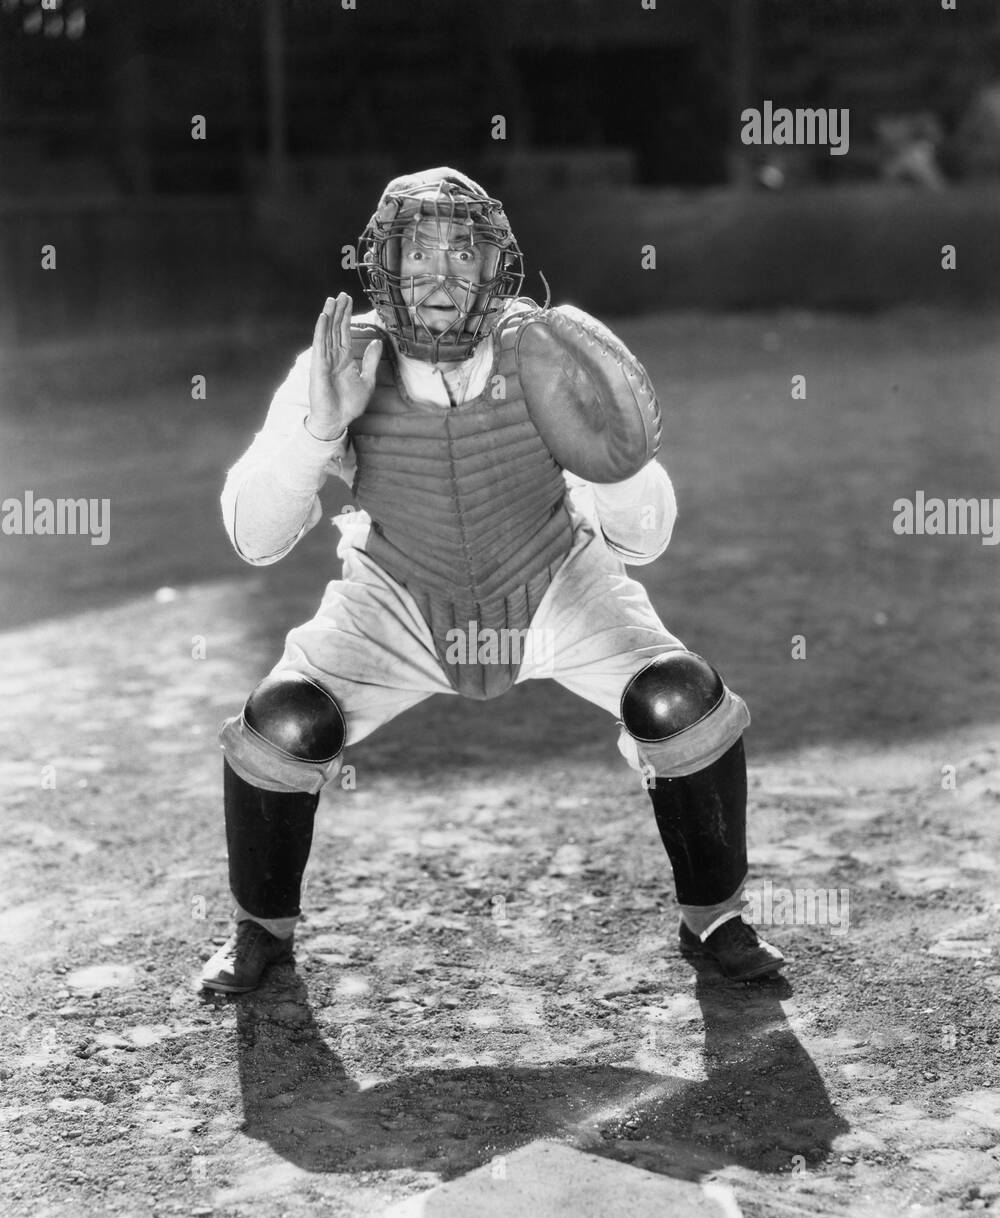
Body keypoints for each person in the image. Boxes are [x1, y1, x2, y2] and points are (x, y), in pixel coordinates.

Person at [202, 166, 785, 994]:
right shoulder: (343, 357)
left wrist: (619, 463)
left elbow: (645, 540)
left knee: (679, 701)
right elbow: (251, 536)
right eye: (419, 252)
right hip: (398, 594)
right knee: (285, 723)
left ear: (493, 269)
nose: (441, 276)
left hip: (552, 579)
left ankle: (714, 919)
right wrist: (316, 428)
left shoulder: (542, 348)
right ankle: (261, 931)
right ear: (385, 265)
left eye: (463, 253)